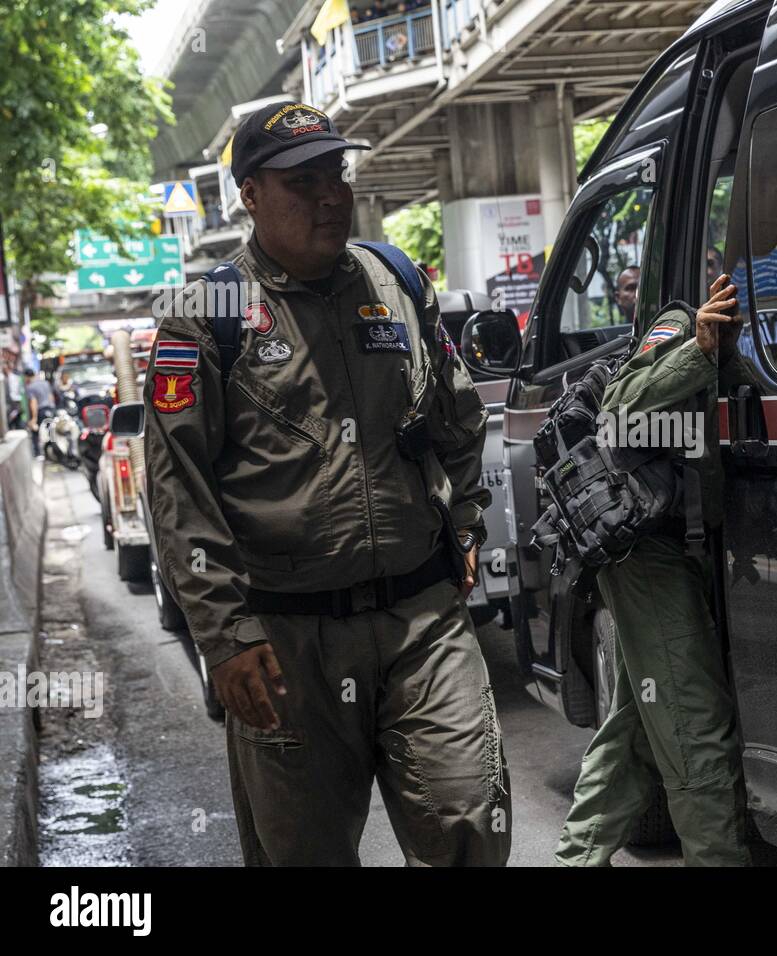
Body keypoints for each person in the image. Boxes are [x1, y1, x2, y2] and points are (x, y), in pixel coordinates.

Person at [145, 100, 510, 866]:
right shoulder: (203, 317)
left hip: (422, 621)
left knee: (469, 822)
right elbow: (179, 492)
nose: (329, 195)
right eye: (301, 180)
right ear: (249, 193)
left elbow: (459, 418)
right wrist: (224, 635)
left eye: (335, 174)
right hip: (284, 646)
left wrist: (467, 525)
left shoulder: (396, 281)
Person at [555, 273, 751, 866]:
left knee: (639, 729)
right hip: (649, 552)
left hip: (676, 551)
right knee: (696, 731)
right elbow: (619, 408)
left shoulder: (748, 331)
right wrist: (699, 347)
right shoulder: (678, 323)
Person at [25, 370, 54, 456]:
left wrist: (34, 418)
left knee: (35, 432)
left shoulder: (30, 387)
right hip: (50, 409)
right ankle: (54, 449)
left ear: (27, 377)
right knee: (52, 430)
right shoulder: (45, 383)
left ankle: (38, 453)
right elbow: (51, 397)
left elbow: (33, 403)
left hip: (40, 411)